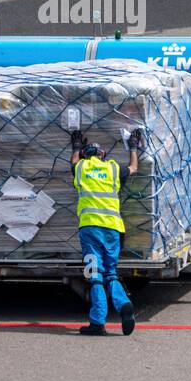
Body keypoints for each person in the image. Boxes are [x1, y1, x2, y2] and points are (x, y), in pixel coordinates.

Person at [69, 129, 141, 337]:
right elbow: (134, 167)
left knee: (95, 275)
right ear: (102, 155)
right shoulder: (112, 169)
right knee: (111, 272)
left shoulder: (81, 167)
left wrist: (75, 148)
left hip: (90, 229)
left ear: (85, 154)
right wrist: (134, 147)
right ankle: (124, 305)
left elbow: (73, 162)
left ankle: (97, 321)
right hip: (113, 229)